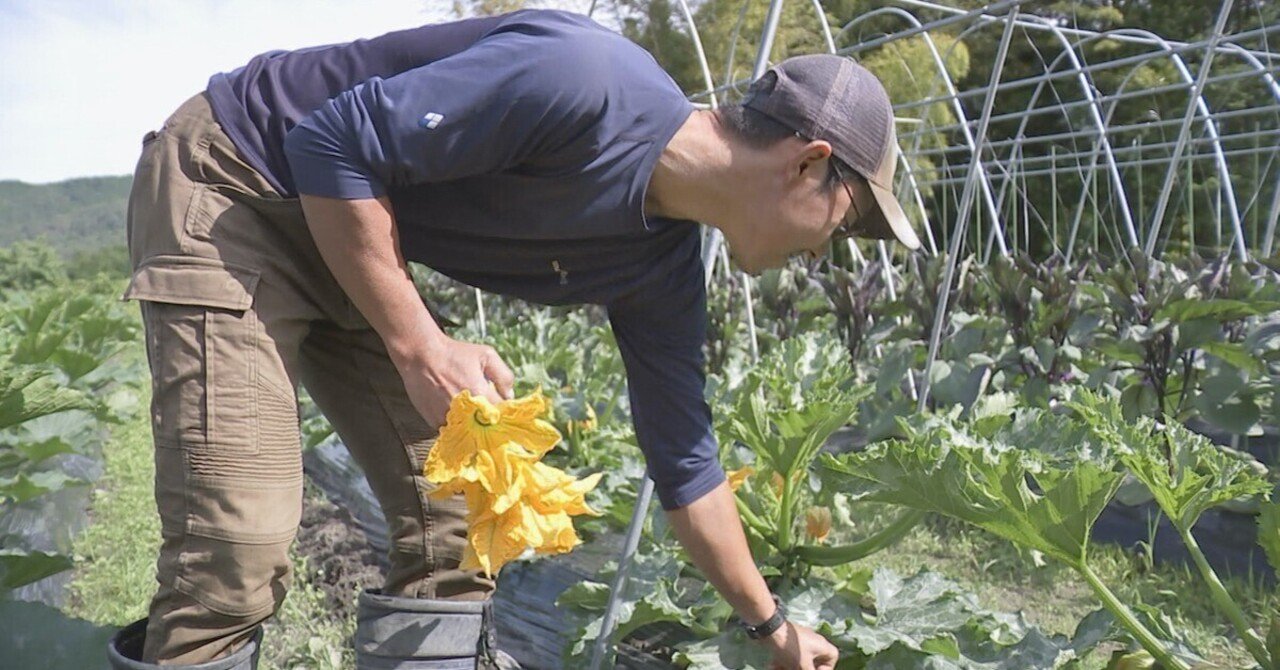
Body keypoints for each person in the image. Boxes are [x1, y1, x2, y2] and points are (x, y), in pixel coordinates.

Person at [108, 7, 921, 670]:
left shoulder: (663, 260)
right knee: (235, 546)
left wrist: (771, 626)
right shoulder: (586, 82)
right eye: (847, 224)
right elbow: (329, 142)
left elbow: (686, 456)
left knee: (458, 519)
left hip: (349, 229)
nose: (827, 250)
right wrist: (422, 344)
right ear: (810, 165)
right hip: (241, 183)